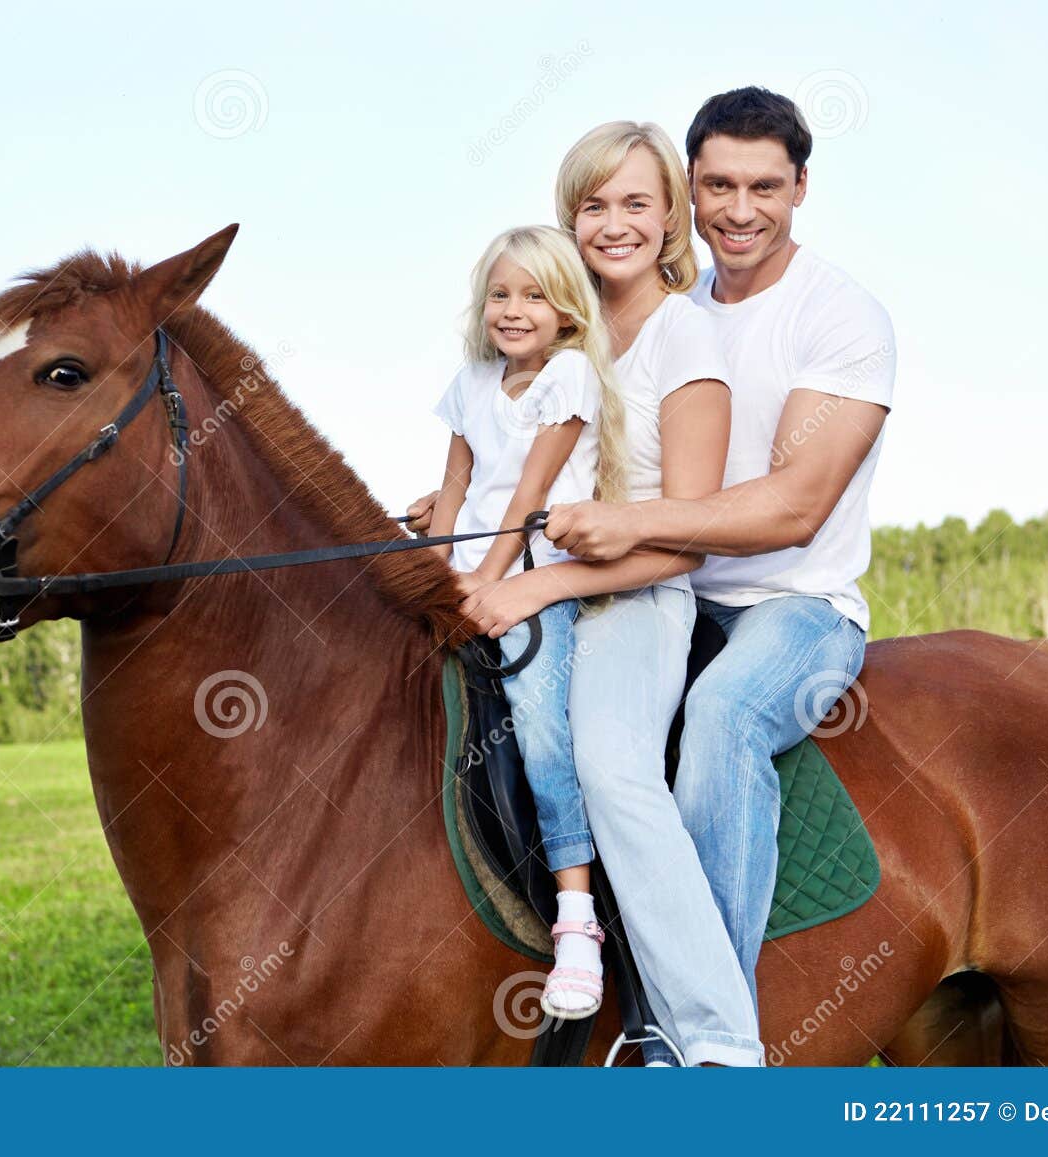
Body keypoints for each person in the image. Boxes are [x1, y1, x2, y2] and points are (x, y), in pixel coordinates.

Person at [540, 88, 897, 1015]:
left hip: (794, 604)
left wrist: (635, 524)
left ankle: (705, 1026)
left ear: (801, 188)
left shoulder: (843, 318)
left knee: (723, 717)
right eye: (719, 186)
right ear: (688, 192)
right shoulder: (661, 308)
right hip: (663, 590)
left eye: (765, 187)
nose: (740, 210)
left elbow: (796, 506)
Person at [421, 123, 764, 1066]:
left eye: (636, 204)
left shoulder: (686, 334)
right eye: (594, 204)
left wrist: (543, 582)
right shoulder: (552, 328)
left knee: (611, 763)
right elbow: (511, 464)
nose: (614, 224)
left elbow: (687, 533)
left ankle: (714, 1041)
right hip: (530, 575)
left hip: (633, 592)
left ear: (671, 217)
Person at [427, 224, 622, 1018]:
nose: (514, 310)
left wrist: (486, 579)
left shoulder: (569, 376)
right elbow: (454, 489)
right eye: (500, 294)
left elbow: (528, 497)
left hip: (531, 577)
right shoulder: (472, 382)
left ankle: (575, 914)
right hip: (468, 574)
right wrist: (437, 572)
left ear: (567, 311)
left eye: (535, 296)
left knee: (542, 726)